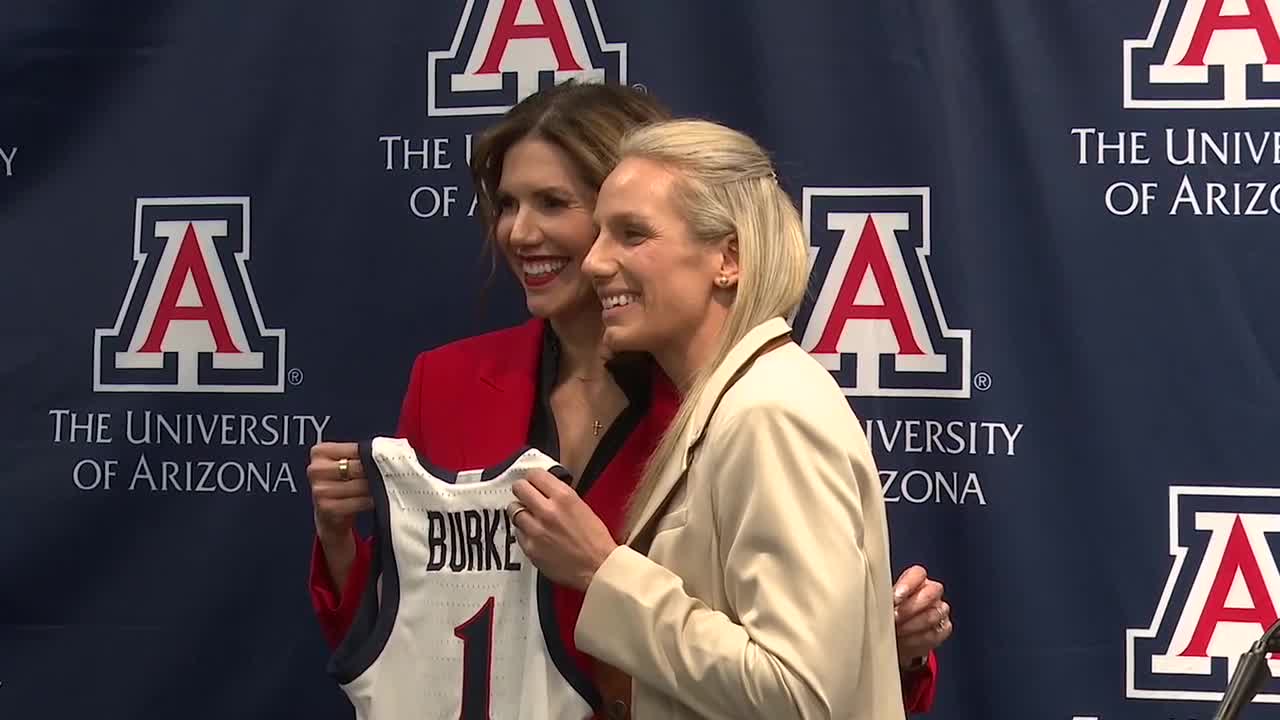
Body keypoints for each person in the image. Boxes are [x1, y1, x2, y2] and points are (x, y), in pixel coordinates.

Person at [306, 82, 949, 716]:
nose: (521, 232)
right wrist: (345, 543)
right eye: (507, 204)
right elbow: (409, 637)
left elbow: (798, 683)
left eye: (556, 204)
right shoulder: (447, 382)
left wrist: (875, 646)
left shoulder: (733, 405)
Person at [505, 117, 906, 719]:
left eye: (632, 235)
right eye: (600, 234)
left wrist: (602, 570)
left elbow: (799, 696)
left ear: (728, 258)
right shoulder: (730, 403)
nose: (594, 263)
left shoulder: (769, 413)